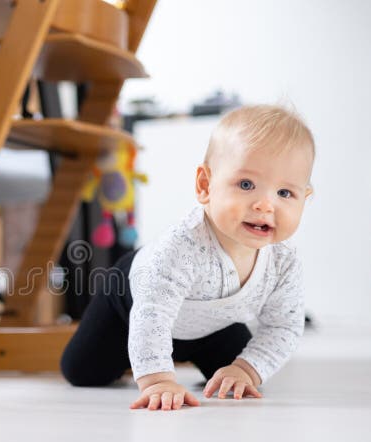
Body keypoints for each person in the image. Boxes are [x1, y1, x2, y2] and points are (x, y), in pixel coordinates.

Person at [60, 104, 315, 411]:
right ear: (205, 186)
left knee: (237, 379)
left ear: (305, 199)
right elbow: (152, 314)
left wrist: (245, 369)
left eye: (285, 193)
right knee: (84, 371)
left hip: (210, 326)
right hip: (131, 306)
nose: (265, 205)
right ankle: (140, 356)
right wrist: (157, 380)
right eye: (246, 185)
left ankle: (174, 355)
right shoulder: (182, 247)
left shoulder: (283, 263)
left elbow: (283, 327)